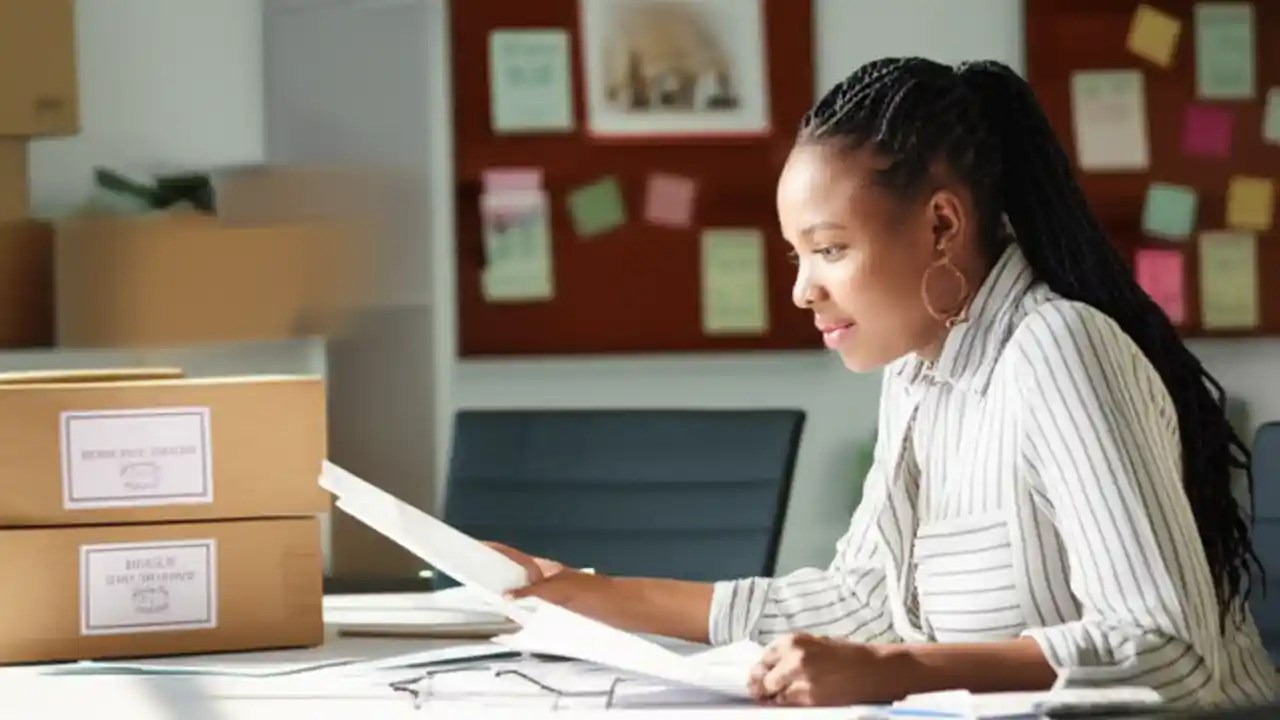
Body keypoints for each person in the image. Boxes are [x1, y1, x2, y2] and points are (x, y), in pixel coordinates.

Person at [490, 57, 1280, 708]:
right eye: (796, 256)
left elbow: (1166, 649)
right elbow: (864, 598)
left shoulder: (1057, 349)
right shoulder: (918, 371)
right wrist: (584, 594)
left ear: (942, 224)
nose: (802, 290)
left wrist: (900, 669)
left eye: (829, 249)